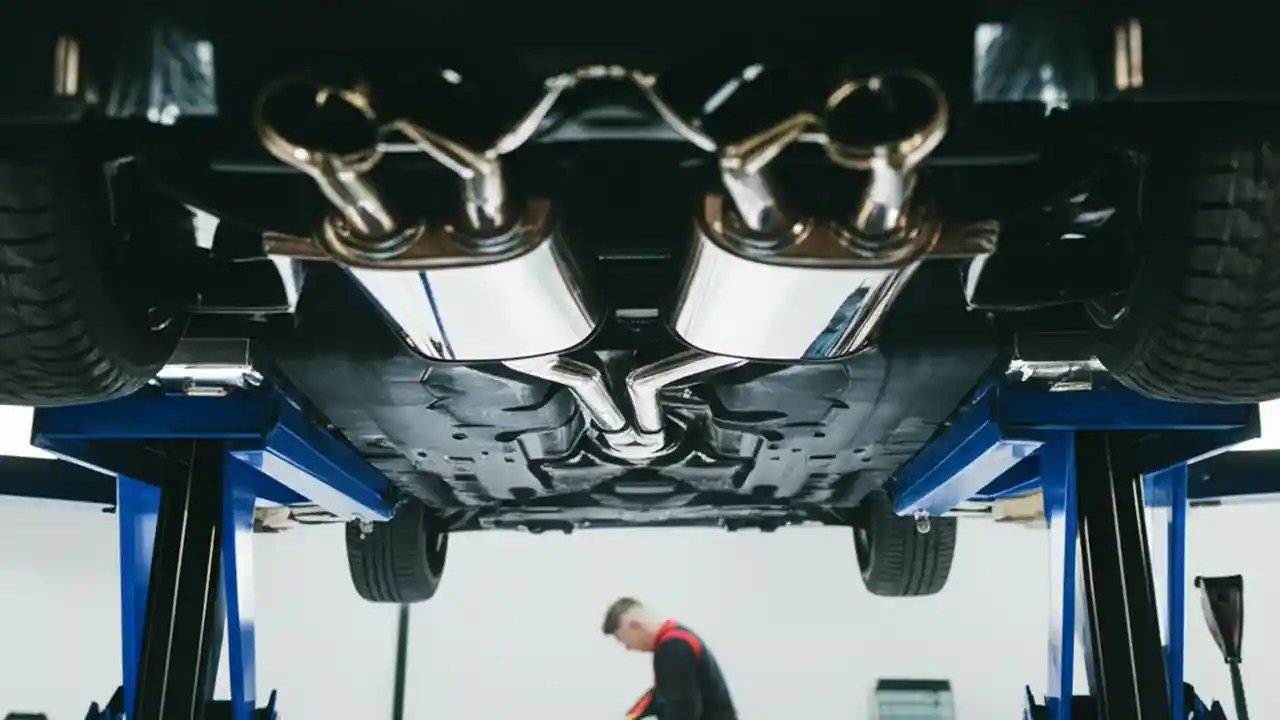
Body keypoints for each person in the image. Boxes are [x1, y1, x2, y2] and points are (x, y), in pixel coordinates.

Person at [602, 597, 738, 720]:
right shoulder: (676, 639)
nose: (628, 648)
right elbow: (659, 696)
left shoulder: (673, 647)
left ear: (636, 626)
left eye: (625, 641)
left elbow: (683, 709)